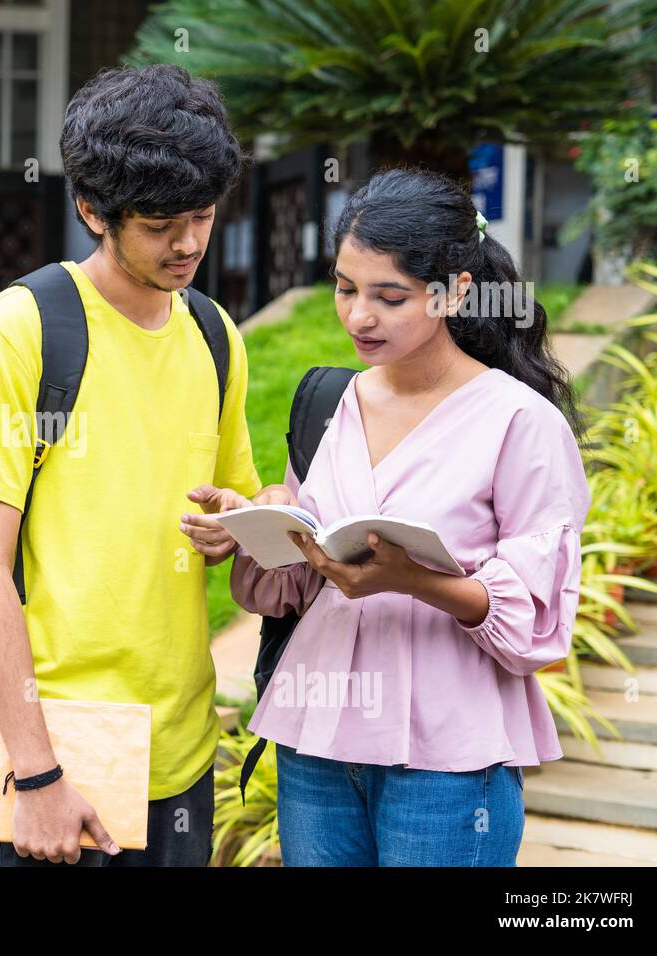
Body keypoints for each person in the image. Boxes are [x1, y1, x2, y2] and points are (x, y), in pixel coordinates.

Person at [181, 167, 591, 867]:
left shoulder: (521, 424)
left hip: (448, 758)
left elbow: (537, 626)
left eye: (389, 296)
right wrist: (258, 524)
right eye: (345, 288)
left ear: (456, 289)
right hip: (319, 745)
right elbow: (304, 574)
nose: (359, 316)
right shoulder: (333, 404)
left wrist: (415, 580)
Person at [0, 64, 260, 867]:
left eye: (203, 217)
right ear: (92, 211)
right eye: (160, 224)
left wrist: (234, 527)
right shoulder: (23, 328)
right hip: (47, 756)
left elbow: (239, 503)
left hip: (175, 749)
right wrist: (35, 776)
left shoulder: (216, 336)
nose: (187, 244)